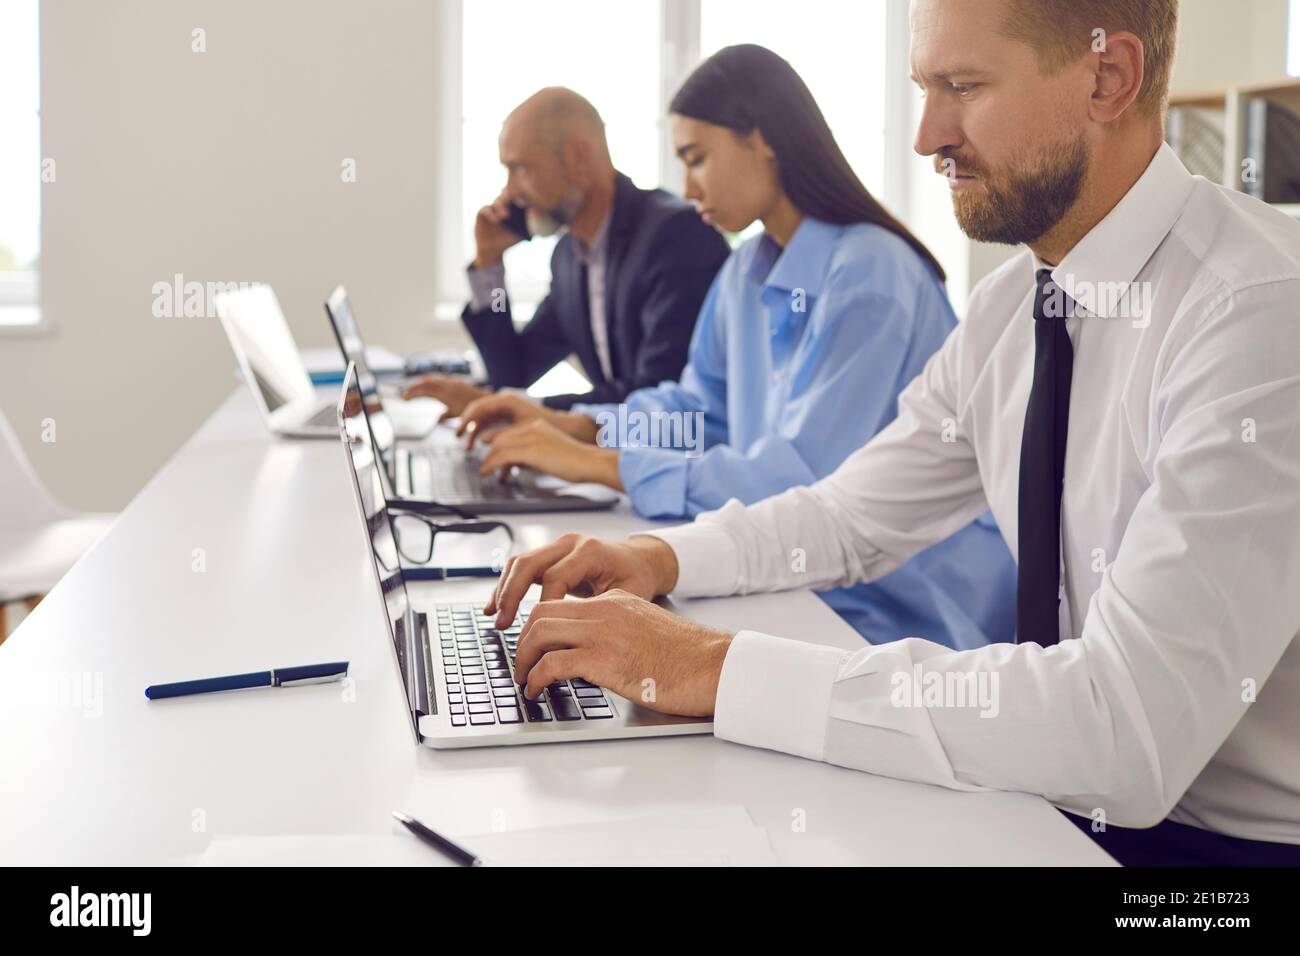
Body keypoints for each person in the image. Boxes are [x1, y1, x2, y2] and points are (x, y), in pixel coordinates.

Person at [482, 0, 1300, 865]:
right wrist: (660, 558)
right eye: (922, 87)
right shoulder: (1010, 309)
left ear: (1109, 77)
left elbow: (1125, 729)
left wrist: (708, 668)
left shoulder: (1253, 315)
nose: (925, 135)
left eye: (962, 86)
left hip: (1220, 858)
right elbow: (850, 515)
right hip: (1054, 796)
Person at [449, 45, 1017, 651]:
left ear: (763, 140)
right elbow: (695, 415)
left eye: (697, 158)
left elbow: (804, 479)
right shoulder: (746, 269)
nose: (688, 186)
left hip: (903, 611)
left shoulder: (871, 276)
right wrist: (578, 426)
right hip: (794, 580)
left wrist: (599, 464)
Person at [403, 87, 730, 413]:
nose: (510, 190)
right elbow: (513, 374)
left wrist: (522, 408)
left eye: (521, 168)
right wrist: (489, 263)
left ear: (578, 158)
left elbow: (658, 397)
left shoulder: (675, 236)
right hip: (621, 451)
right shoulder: (568, 258)